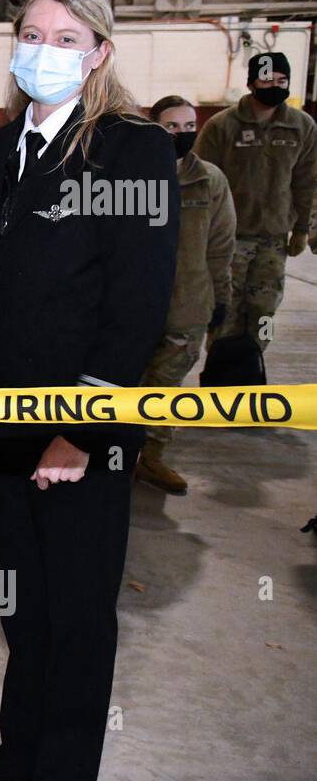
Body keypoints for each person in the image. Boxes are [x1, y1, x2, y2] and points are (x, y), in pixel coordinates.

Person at [0, 0, 179, 781]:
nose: (44, 52)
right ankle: (17, 764)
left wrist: (80, 432)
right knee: (23, 608)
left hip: (82, 432)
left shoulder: (132, 148)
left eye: (66, 39)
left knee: (77, 617)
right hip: (3, 423)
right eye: (33, 36)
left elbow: (138, 308)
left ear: (100, 53)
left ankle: (65, 776)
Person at [136, 95, 236, 495]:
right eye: (172, 126)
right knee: (126, 385)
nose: (182, 134)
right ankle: (118, 457)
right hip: (138, 306)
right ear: (154, 127)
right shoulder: (132, 177)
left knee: (166, 388)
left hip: (188, 304)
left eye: (188, 126)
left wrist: (221, 298)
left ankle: (153, 459)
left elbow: (221, 244)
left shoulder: (210, 180)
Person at [195, 51, 316, 351]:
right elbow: (201, 183)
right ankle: (221, 371)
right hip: (229, 239)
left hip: (274, 239)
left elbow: (307, 181)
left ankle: (255, 363)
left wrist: (303, 228)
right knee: (225, 310)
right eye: (267, 79)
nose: (275, 85)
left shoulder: (302, 127)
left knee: (266, 309)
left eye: (282, 80)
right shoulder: (222, 126)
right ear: (251, 83)